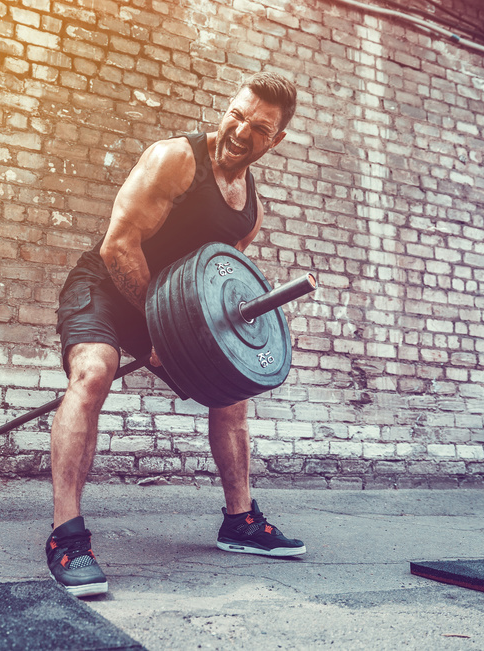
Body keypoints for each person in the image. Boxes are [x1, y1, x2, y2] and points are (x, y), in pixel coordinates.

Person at [47, 72, 305, 597]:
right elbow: (119, 246)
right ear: (226, 107)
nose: (240, 131)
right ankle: (66, 536)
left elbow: (216, 279)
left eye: (259, 128)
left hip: (167, 309)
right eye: (237, 114)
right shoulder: (175, 160)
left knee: (232, 393)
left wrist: (213, 344)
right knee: (95, 372)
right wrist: (160, 334)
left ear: (275, 141)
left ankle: (240, 522)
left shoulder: (249, 212)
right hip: (105, 285)